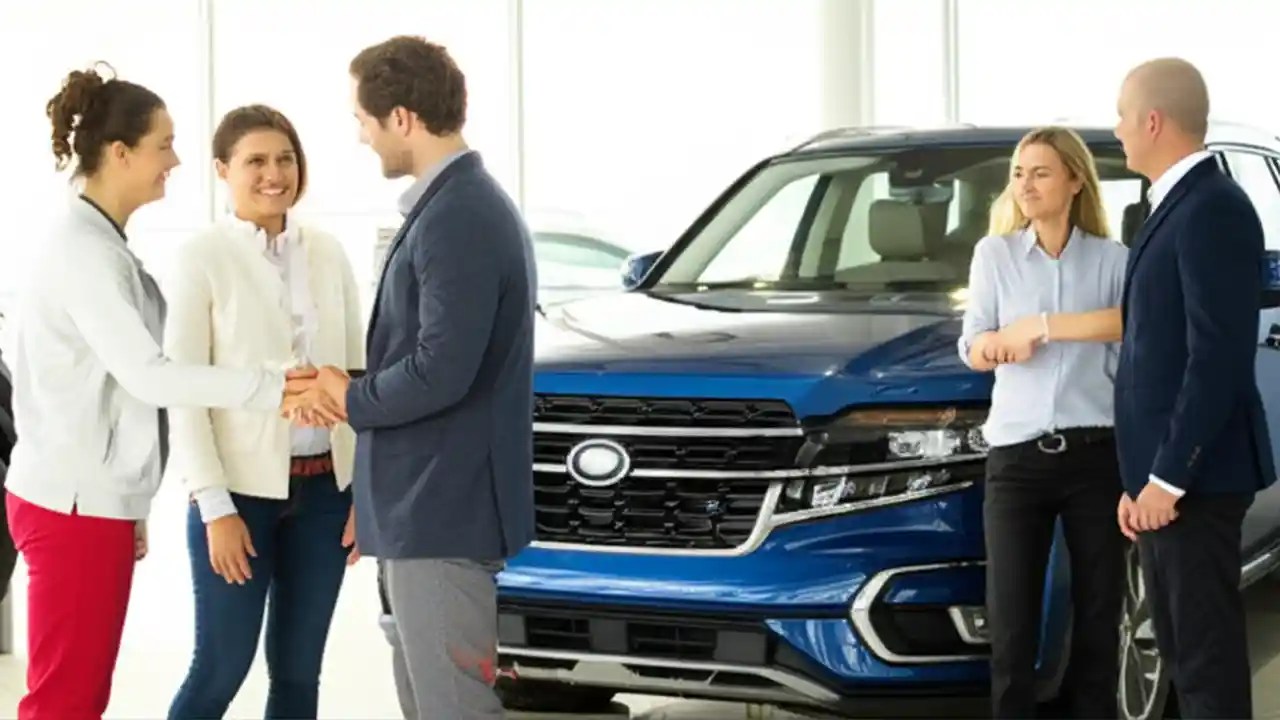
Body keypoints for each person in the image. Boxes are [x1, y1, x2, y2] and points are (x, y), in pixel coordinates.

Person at [4, 64, 325, 720]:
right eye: (164, 144)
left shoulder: (105, 244)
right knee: (67, 699)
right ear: (120, 154)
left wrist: (133, 503)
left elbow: (113, 391)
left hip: (92, 504)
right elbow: (148, 373)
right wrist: (272, 388)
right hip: (72, 508)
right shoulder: (83, 254)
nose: (174, 159)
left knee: (78, 692)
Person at [294, 35, 537, 719]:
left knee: (453, 708)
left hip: (443, 512)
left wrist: (351, 397)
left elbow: (442, 370)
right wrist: (347, 384)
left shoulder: (459, 214)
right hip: (424, 511)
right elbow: (436, 353)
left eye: (363, 121)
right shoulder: (452, 206)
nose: (363, 137)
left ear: (401, 117)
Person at [163, 105, 365, 720]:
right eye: (255, 161)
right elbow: (183, 388)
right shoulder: (201, 256)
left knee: (300, 676)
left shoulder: (329, 252)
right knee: (220, 668)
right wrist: (214, 505)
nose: (274, 173)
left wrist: (366, 489)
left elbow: (359, 373)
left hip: (327, 495)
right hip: (238, 500)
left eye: (285, 158)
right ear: (223, 170)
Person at [1111, 57, 1273, 719]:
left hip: (1195, 484)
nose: (1117, 130)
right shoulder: (1177, 204)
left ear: (1153, 120)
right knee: (1182, 655)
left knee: (1204, 662)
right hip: (1165, 482)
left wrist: (1169, 478)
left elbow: (1217, 359)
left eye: (1122, 116)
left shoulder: (1213, 209)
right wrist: (1140, 480)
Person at [958, 126, 1129, 718]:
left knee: (1099, 615)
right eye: (1018, 173)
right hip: (1017, 460)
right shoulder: (994, 255)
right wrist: (995, 346)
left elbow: (1133, 323)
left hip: (1095, 455)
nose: (1025, 185)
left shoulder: (1113, 260)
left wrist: (1045, 325)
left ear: (1075, 181)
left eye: (1041, 172)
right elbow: (972, 343)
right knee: (1010, 622)